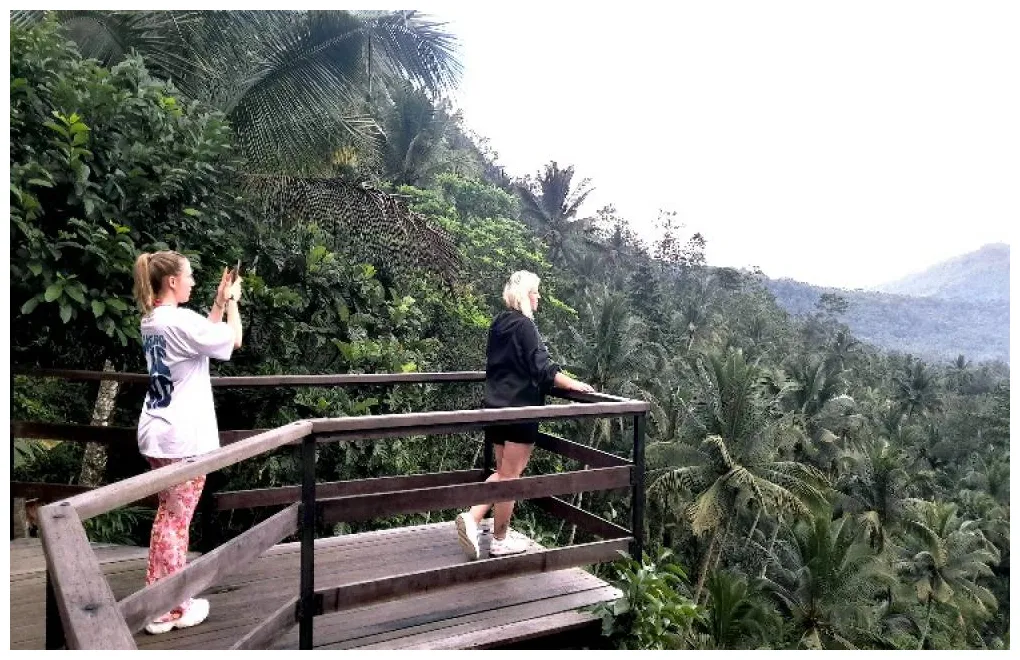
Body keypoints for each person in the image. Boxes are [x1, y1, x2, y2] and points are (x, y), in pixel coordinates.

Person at [132, 250, 243, 634]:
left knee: (170, 518)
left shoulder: (153, 320)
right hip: (182, 439)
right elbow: (233, 340)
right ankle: (166, 608)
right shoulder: (178, 321)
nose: (193, 281)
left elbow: (203, 338)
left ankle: (166, 601)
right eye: (190, 276)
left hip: (157, 432)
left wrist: (216, 301)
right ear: (173, 282)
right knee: (175, 523)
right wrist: (232, 304)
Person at [455, 270, 594, 560]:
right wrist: (574, 384)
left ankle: (491, 532)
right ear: (525, 295)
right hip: (520, 410)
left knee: (504, 473)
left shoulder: (499, 323)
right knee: (510, 477)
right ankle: (481, 524)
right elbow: (543, 369)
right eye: (536, 291)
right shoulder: (525, 326)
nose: (539, 296)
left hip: (495, 408)